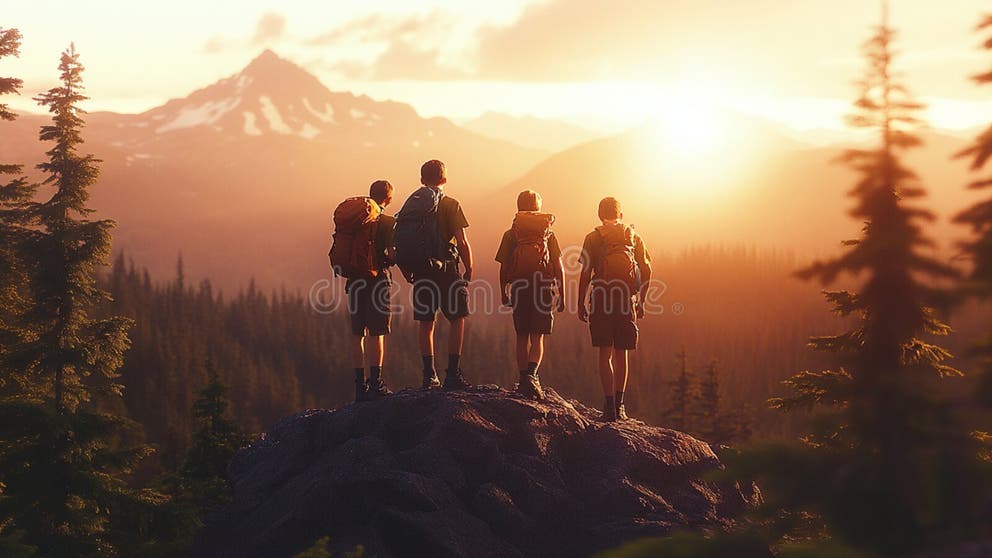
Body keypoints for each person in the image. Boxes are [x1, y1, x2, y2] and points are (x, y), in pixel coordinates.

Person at [395, 159, 474, 390]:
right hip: (447, 268)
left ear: (422, 180)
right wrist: (469, 267)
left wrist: (406, 267)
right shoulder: (451, 204)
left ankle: (429, 376)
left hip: (421, 269)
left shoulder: (412, 204)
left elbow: (401, 239)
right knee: (457, 319)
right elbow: (462, 241)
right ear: (445, 179)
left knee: (426, 323)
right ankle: (452, 374)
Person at [577, 197, 652, 421]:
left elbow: (585, 274)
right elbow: (647, 269)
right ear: (621, 215)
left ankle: (609, 407)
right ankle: (620, 406)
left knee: (605, 353)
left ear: (600, 215)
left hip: (601, 298)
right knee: (622, 353)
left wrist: (581, 301)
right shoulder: (633, 236)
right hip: (625, 299)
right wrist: (641, 300)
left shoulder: (593, 237)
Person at [495, 190, 565, 399]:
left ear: (518, 208)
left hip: (519, 286)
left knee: (521, 335)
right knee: (537, 337)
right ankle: (532, 377)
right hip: (543, 286)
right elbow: (558, 265)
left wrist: (503, 291)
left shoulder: (511, 234)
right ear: (538, 209)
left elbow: (504, 266)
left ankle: (523, 377)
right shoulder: (548, 234)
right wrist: (561, 292)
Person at [341, 180, 396, 402]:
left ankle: (358, 388)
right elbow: (392, 255)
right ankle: (376, 384)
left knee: (357, 335)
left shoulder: (354, 220)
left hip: (354, 280)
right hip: (377, 280)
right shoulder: (387, 221)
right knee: (376, 333)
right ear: (389, 199)